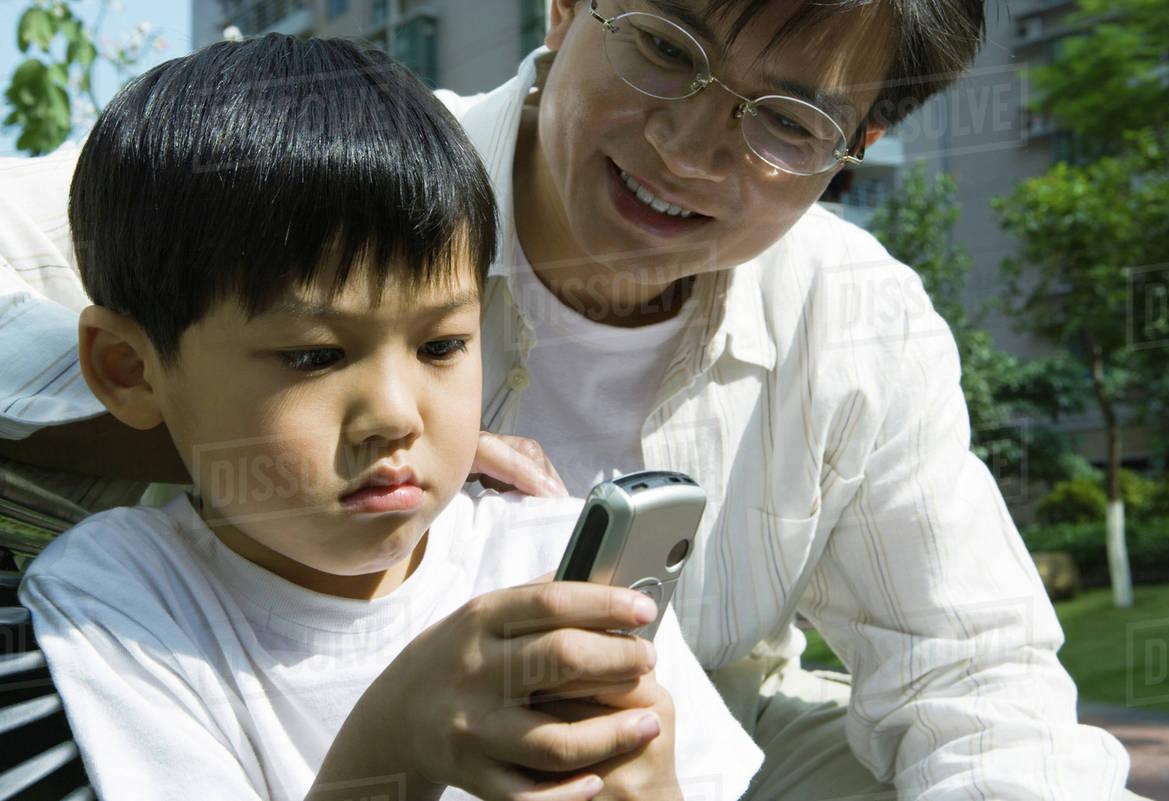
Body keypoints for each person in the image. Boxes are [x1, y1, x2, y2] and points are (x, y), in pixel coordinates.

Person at [0, 1, 1144, 799]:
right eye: (664, 45)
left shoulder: (860, 316)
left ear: (853, 151)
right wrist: (203, 432)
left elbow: (971, 678)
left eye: (789, 123)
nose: (694, 148)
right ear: (566, 5)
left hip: (714, 732)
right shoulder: (331, 178)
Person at [15, 34, 763, 801]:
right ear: (129, 369)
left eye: (441, 345)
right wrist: (395, 743)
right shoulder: (123, 601)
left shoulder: (553, 561)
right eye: (313, 356)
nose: (396, 415)